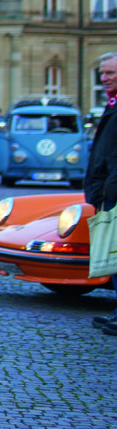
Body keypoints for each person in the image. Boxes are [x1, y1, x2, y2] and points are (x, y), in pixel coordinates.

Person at [86, 53, 117, 336]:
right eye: (102, 74)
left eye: (110, 73)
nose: (105, 78)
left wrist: (107, 189)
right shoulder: (112, 105)